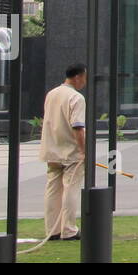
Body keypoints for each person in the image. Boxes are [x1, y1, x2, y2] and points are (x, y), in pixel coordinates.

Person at [40, 63, 87, 241]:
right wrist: (84, 151)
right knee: (71, 189)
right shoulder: (76, 98)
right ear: (77, 77)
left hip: (52, 149)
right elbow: (78, 127)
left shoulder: (51, 94)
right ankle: (68, 229)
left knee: (53, 188)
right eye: (84, 77)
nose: (84, 81)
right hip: (70, 151)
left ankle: (52, 230)